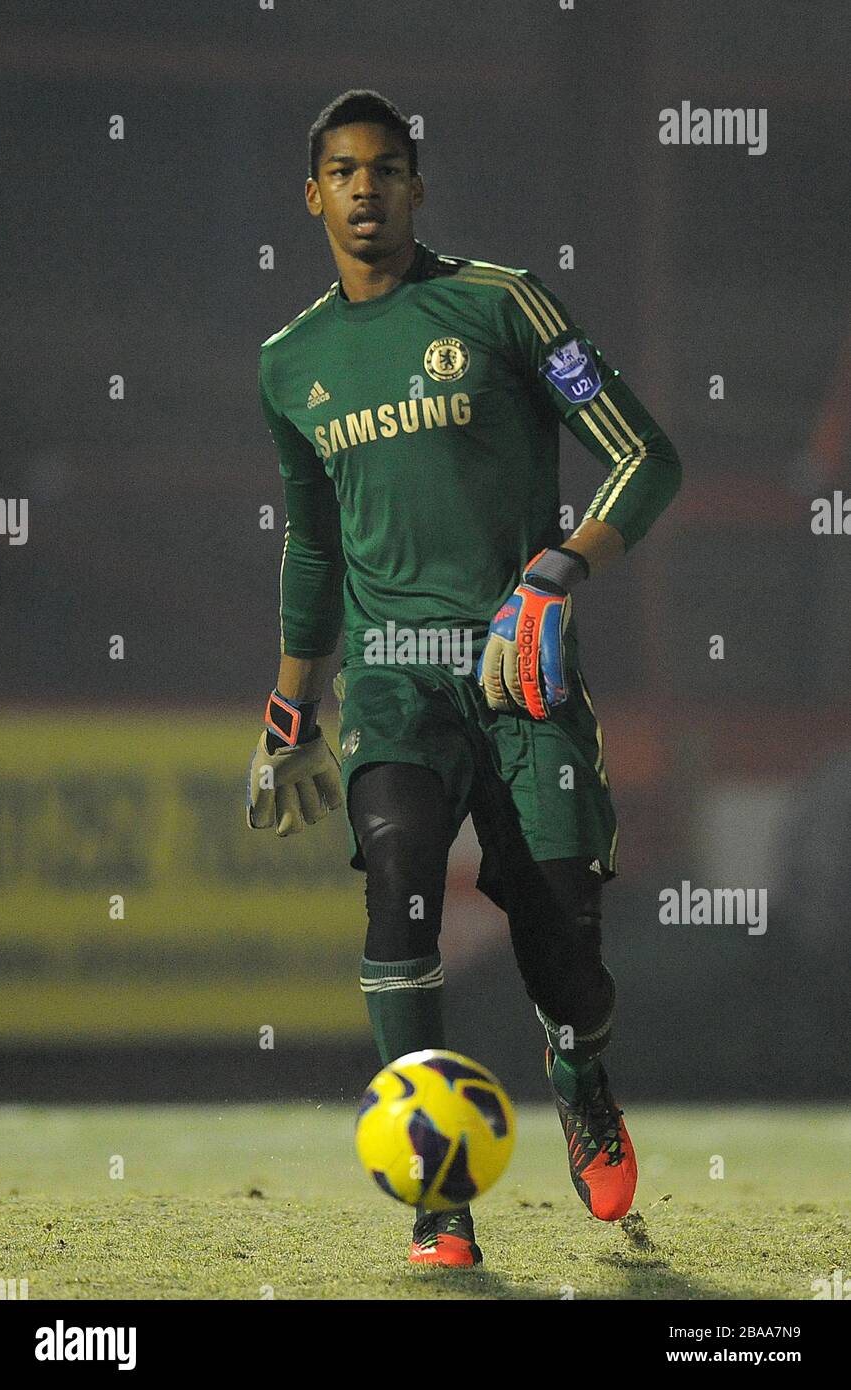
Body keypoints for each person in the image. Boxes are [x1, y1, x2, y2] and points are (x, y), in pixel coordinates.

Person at [247, 89, 682, 1267]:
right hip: (391, 684)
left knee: (566, 961)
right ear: (313, 194)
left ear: (415, 187)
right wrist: (291, 711)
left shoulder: (500, 306)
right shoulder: (290, 365)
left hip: (516, 679)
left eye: (385, 168)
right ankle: (440, 1203)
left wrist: (554, 570)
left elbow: (645, 454)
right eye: (341, 170)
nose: (364, 189)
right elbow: (312, 546)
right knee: (396, 889)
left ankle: (577, 1064)